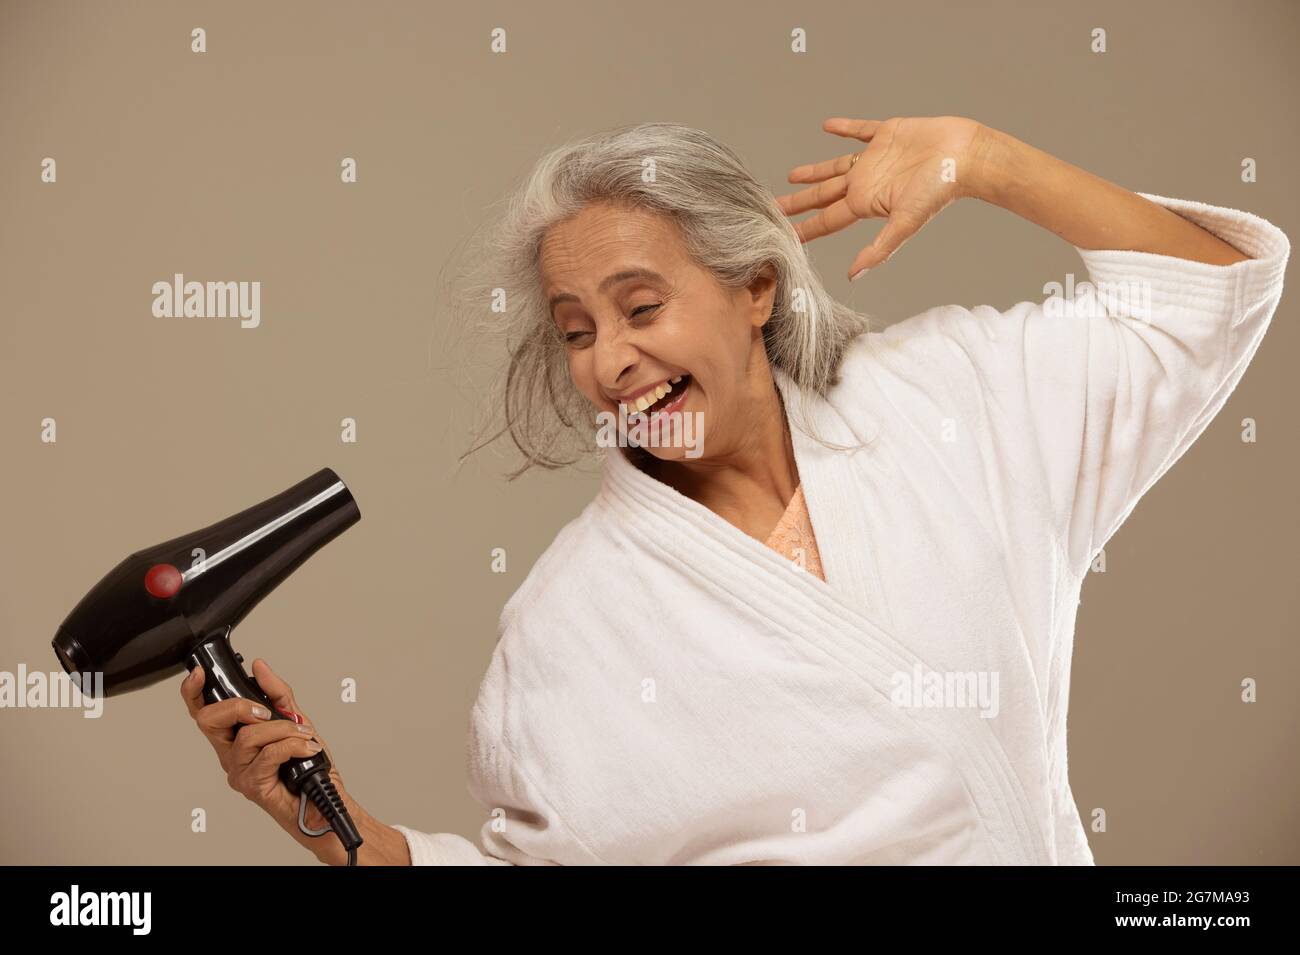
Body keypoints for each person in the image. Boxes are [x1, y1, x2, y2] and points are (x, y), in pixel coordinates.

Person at [182, 117, 1289, 864]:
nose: (609, 358)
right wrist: (342, 831)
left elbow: (1204, 293)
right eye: (577, 331)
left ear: (754, 288)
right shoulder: (570, 624)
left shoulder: (951, 403)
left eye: (641, 305)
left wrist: (981, 157)